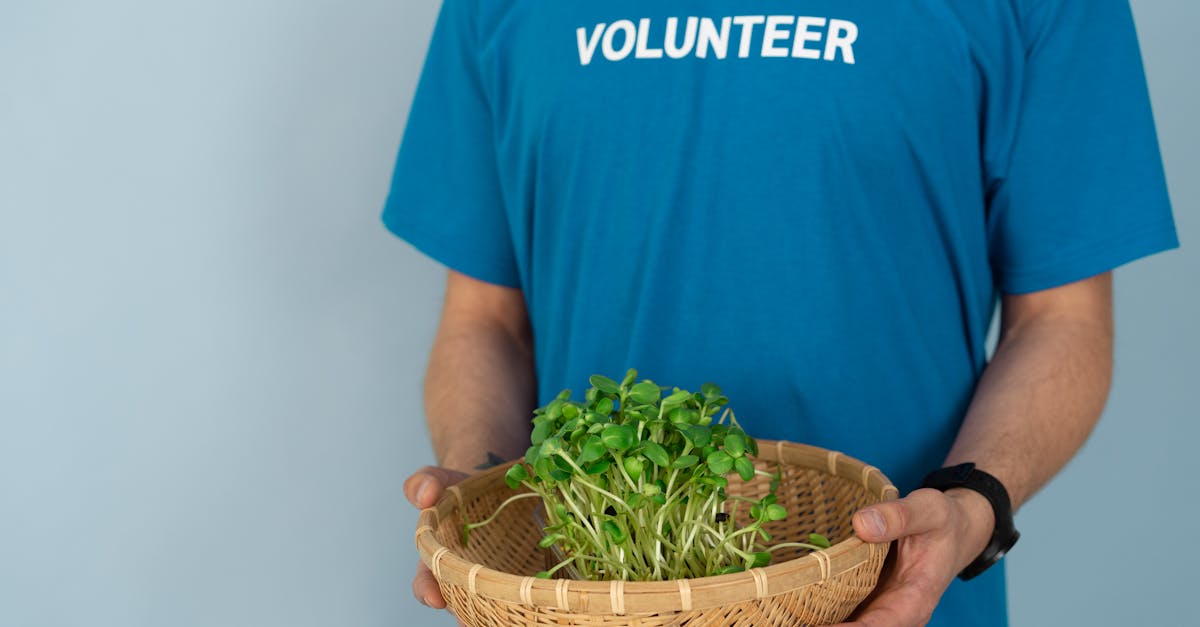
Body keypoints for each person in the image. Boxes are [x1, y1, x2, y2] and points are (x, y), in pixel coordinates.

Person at [384, 1, 1177, 625]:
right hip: (589, 598)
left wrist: (974, 502)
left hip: (893, 599)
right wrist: (481, 496)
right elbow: (484, 318)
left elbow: (1062, 320)